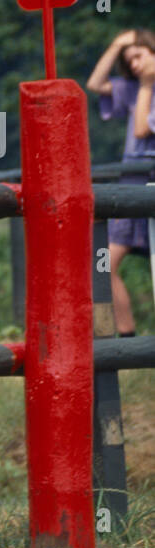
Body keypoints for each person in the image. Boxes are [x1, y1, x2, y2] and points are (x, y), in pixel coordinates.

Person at [86, 29, 155, 336]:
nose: (135, 64)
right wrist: (116, 44)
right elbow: (94, 84)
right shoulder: (132, 87)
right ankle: (127, 339)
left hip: (151, 188)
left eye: (140, 56)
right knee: (103, 264)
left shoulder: (143, 88)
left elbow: (142, 130)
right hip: (131, 188)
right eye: (130, 60)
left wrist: (147, 86)